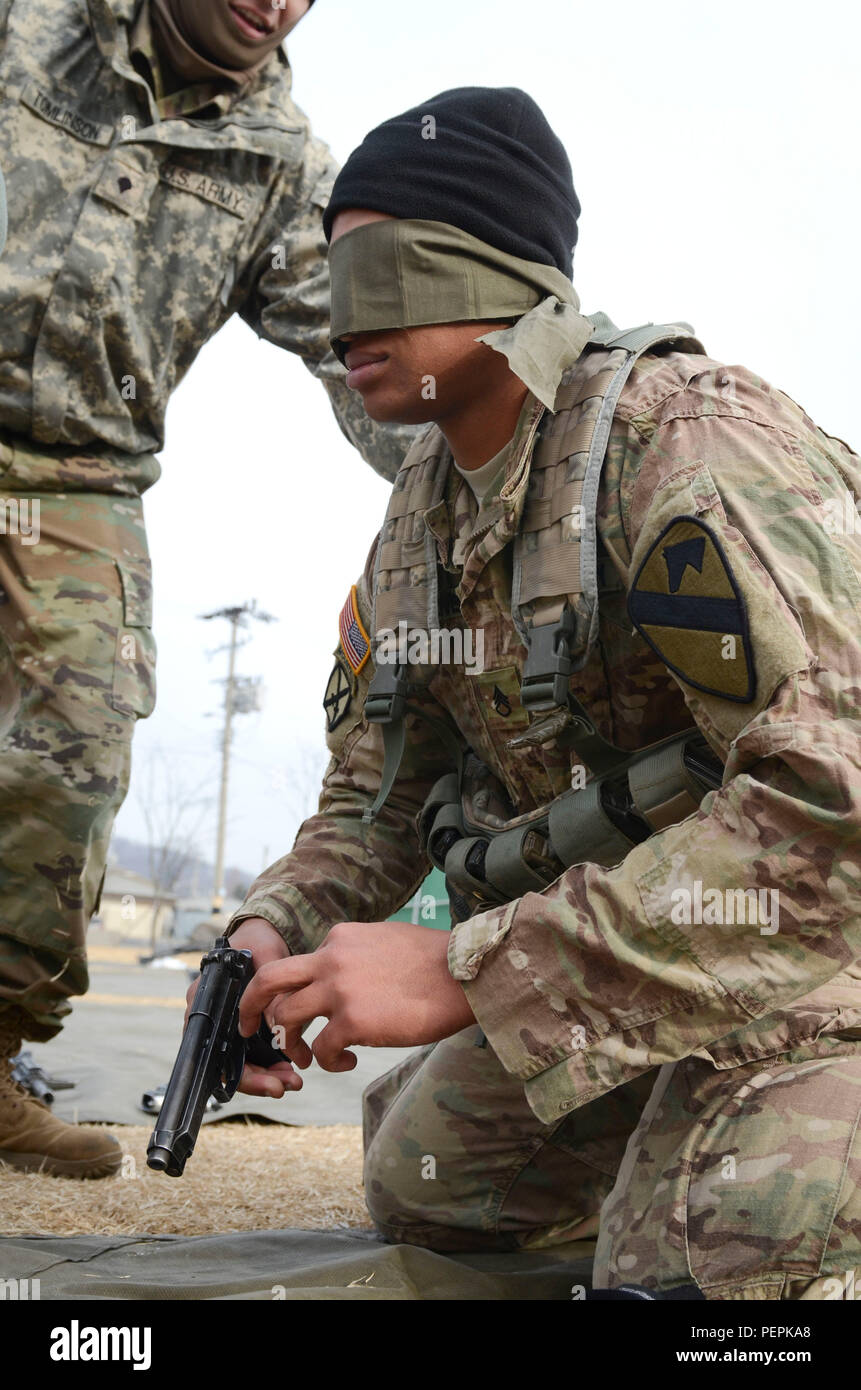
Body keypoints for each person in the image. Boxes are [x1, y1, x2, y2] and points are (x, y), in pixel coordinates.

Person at [219, 88, 859, 1299]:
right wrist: (265, 934)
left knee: (701, 1246)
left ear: (507, 278)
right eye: (332, 268)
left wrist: (467, 973)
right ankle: (697, 1107)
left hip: (826, 942)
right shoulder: (422, 522)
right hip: (655, 956)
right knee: (435, 1184)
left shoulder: (687, 448)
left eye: (390, 267)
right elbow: (377, 800)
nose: (348, 312)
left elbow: (836, 809)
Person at [0, 0, 412, 1179]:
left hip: (78, 473)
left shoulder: (281, 164)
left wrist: (488, 466)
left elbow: (364, 347)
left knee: (68, 756)